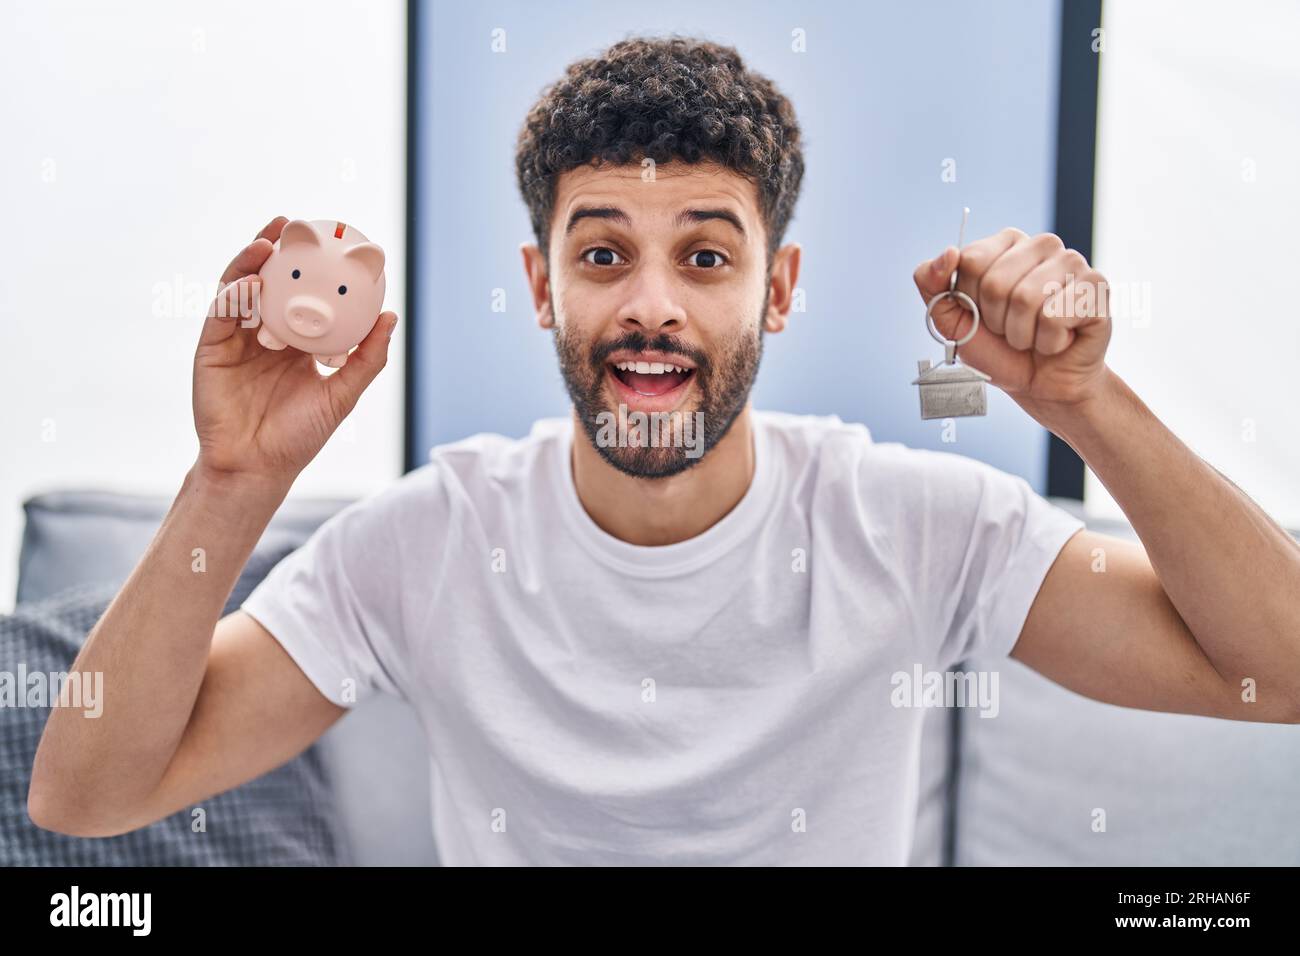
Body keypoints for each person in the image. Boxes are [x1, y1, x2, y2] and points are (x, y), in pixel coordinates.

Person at [29, 37, 1300, 865]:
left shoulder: (915, 525)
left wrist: (1087, 404)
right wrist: (235, 481)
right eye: (600, 255)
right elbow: (87, 792)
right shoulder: (427, 542)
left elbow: (1280, 670)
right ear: (539, 284)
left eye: (704, 254)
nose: (651, 305)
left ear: (779, 286)